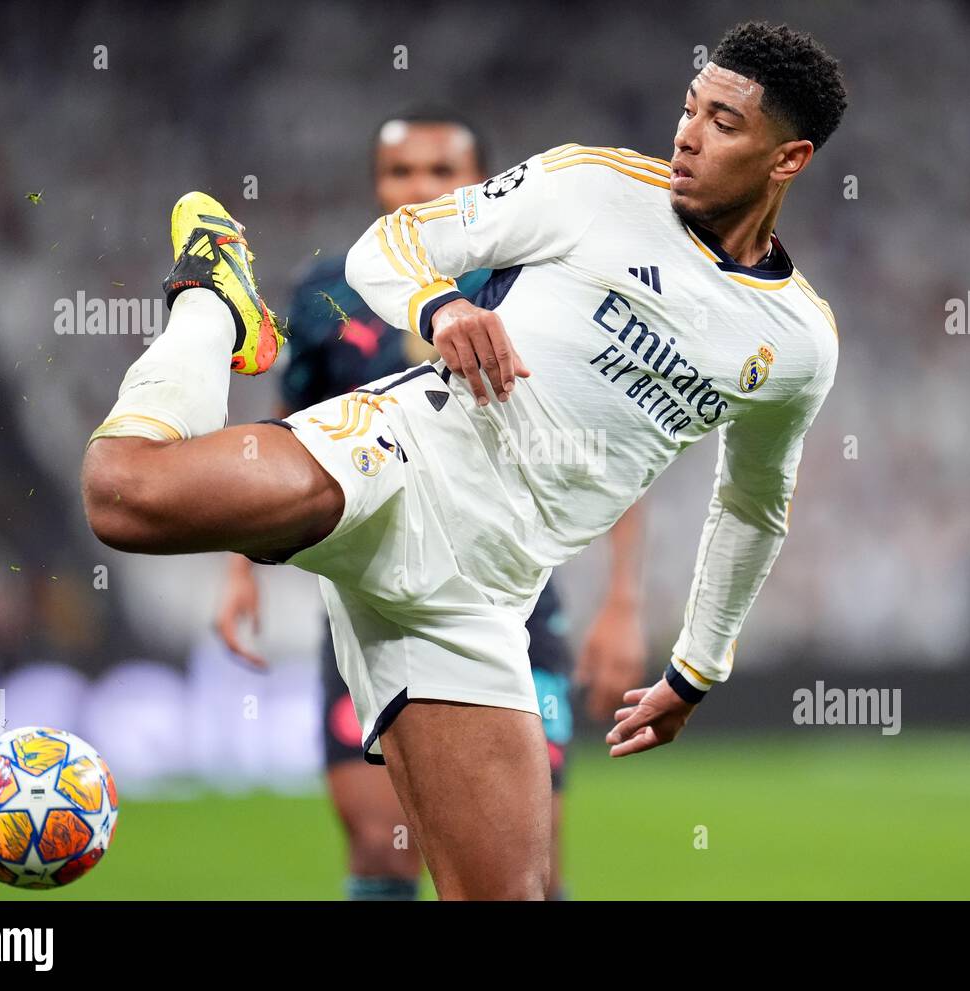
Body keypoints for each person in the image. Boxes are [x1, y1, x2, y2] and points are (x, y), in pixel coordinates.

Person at [82, 21, 845, 900]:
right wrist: (441, 307)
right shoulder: (591, 185)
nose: (685, 132)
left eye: (723, 122)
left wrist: (696, 668)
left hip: (481, 599)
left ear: (787, 159)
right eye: (689, 107)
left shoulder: (796, 346)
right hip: (398, 459)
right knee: (121, 495)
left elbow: (752, 506)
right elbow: (386, 246)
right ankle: (215, 300)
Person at [213, 110, 644, 900]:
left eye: (440, 173)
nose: (418, 188)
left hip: (511, 597)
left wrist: (622, 598)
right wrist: (241, 569)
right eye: (401, 172)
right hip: (371, 589)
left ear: (482, 185)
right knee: (380, 847)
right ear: (377, 183)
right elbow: (280, 438)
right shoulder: (328, 294)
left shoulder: (539, 284)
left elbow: (606, 443)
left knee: (526, 875)